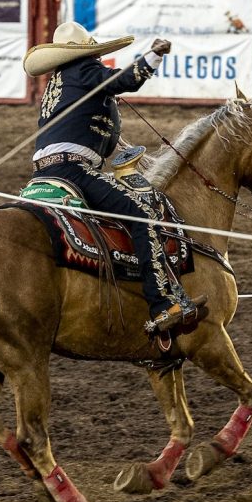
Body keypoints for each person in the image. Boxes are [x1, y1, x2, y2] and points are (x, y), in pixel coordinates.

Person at [24, 19, 203, 346]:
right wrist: (154, 56)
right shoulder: (84, 70)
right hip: (73, 170)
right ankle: (162, 304)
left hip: (45, 172)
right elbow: (125, 80)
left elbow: (86, 129)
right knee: (142, 215)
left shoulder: (58, 83)